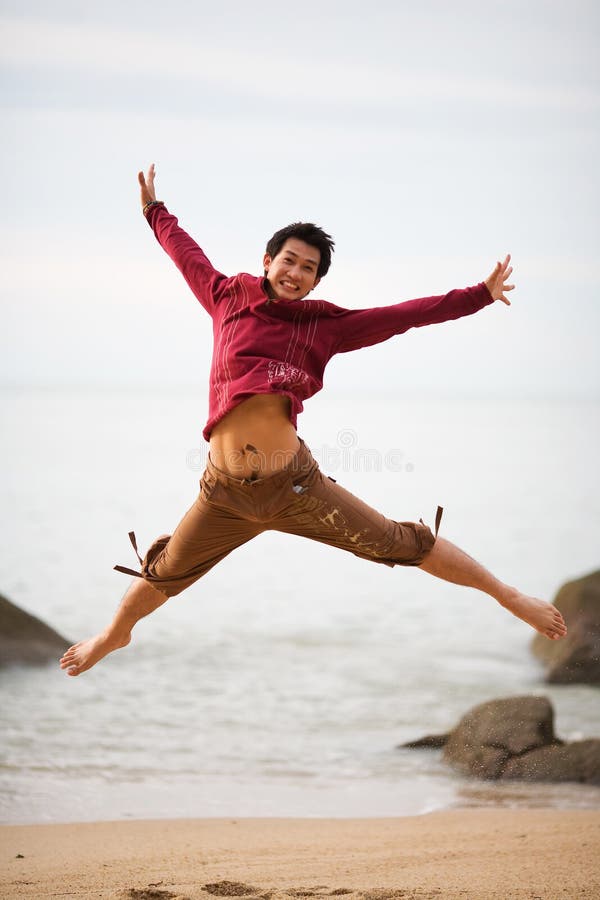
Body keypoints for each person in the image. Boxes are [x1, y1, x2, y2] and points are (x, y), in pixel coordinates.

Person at [59, 164, 567, 677]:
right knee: (165, 572)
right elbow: (183, 253)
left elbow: (404, 315)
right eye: (289, 260)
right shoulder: (226, 296)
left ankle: (509, 596)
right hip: (224, 495)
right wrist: (154, 209)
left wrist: (479, 295)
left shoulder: (325, 325)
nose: (295, 273)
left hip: (296, 488)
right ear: (268, 261)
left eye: (309, 268)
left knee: (399, 542)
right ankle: (114, 633)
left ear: (317, 280)